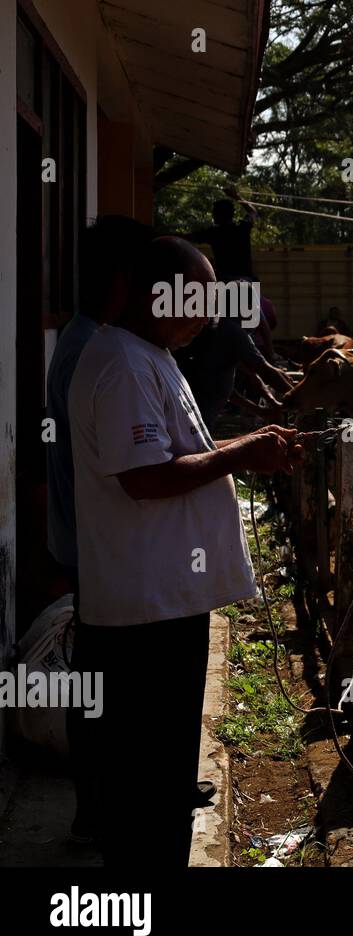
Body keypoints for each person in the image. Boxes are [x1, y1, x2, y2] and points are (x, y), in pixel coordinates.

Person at [68, 237, 303, 866]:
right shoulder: (121, 361)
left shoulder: (154, 354)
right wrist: (243, 451)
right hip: (145, 609)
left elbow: (173, 458)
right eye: (194, 294)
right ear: (152, 292)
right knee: (145, 787)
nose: (206, 309)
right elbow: (145, 477)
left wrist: (248, 448)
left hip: (166, 598)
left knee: (163, 779)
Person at [45, 214, 154, 844]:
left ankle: (112, 799)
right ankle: (99, 811)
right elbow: (135, 473)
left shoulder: (83, 338)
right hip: (96, 543)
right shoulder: (99, 349)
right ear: (123, 278)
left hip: (85, 539)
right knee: (109, 681)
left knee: (107, 677)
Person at [173, 280, 294, 424]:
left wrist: (262, 409)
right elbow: (265, 371)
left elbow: (244, 378)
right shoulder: (233, 331)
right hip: (198, 410)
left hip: (196, 408)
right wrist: (298, 394)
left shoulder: (219, 324)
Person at [186, 191, 256, 281]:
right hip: (246, 281)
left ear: (221, 214)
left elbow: (187, 237)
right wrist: (236, 197)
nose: (213, 215)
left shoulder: (214, 233)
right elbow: (252, 211)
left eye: (215, 212)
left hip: (227, 282)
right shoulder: (243, 227)